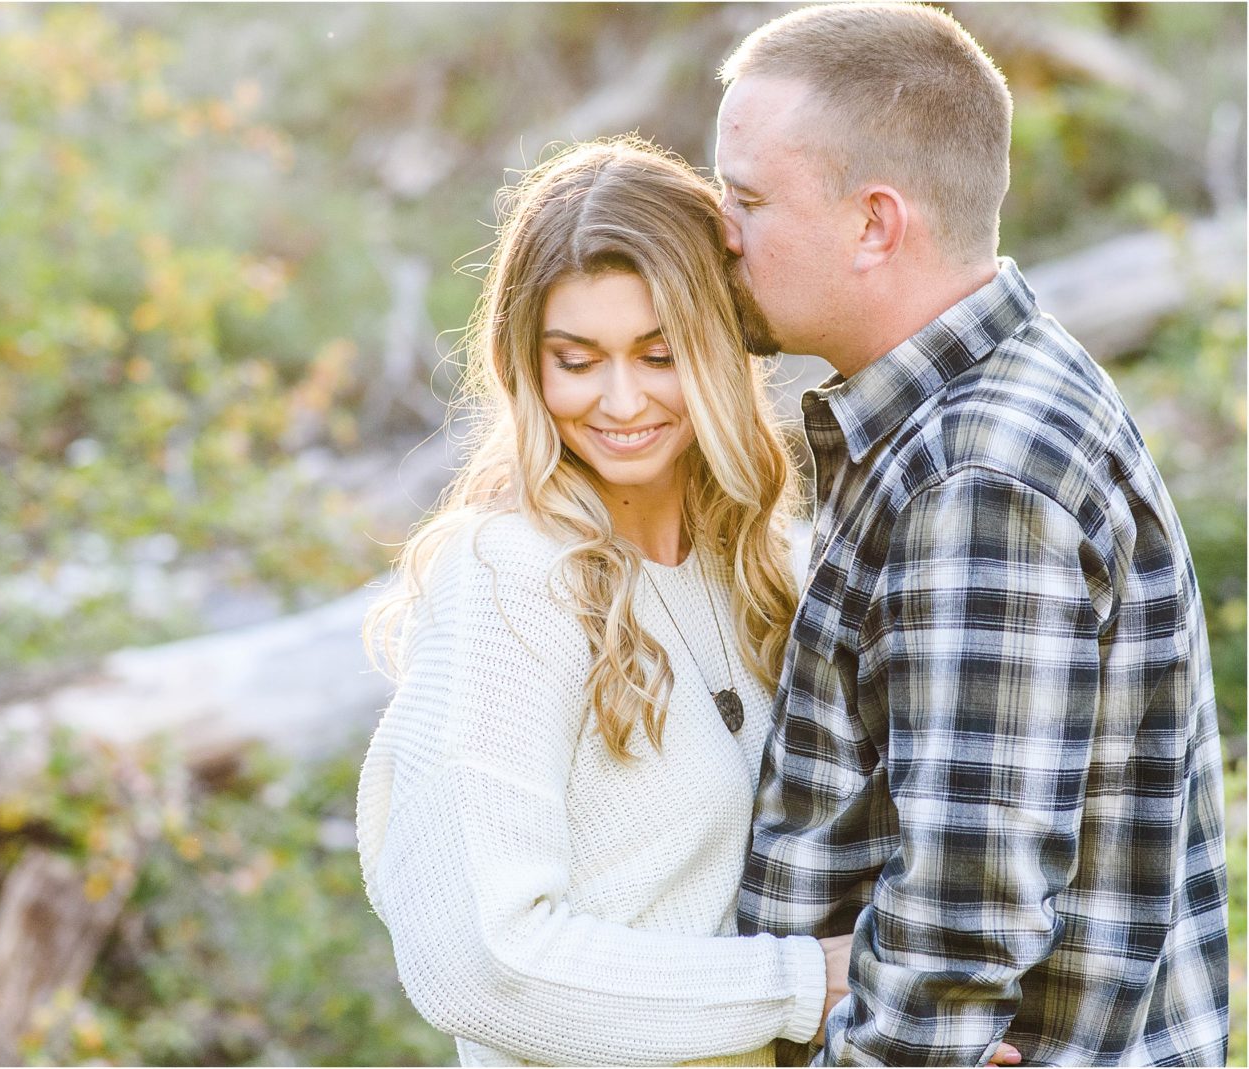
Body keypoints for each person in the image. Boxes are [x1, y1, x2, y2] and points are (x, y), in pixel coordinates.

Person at [715, 5, 1231, 1067]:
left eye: (748, 199)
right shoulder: (973, 405)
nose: (720, 230)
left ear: (874, 224)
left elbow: (957, 928)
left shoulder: (975, 477)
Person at [355, 137, 843, 1067]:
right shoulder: (510, 577)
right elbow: (479, 961)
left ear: (719, 347)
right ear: (524, 365)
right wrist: (799, 985)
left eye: (660, 354)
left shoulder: (764, 562)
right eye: (576, 361)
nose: (622, 402)